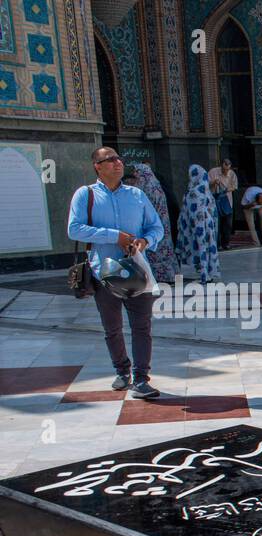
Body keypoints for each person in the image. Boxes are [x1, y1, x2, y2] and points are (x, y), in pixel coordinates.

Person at [67, 146, 164, 400]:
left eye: (118, 158)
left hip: (136, 270)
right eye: (109, 160)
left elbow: (156, 227)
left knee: (142, 327)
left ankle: (141, 379)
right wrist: (114, 236)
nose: (117, 163)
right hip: (104, 272)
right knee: (113, 328)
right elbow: (74, 229)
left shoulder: (137, 195)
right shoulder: (85, 195)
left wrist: (145, 241)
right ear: (97, 166)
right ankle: (122, 371)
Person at [127, 163, 179, 284]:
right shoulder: (155, 185)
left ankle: (160, 276)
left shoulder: (145, 189)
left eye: (137, 172)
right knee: (164, 249)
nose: (135, 175)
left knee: (156, 250)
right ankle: (169, 275)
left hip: (153, 226)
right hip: (162, 224)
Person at [175, 164, 222, 284]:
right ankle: (207, 274)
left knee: (200, 248)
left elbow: (191, 211)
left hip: (197, 224)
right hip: (208, 224)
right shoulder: (206, 190)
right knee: (206, 248)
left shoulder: (193, 191)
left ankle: (203, 275)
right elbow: (213, 211)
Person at [208, 158, 237, 250]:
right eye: (224, 169)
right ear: (221, 165)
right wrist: (214, 182)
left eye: (228, 169)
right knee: (218, 224)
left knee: (228, 224)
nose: (226, 171)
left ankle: (226, 243)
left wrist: (226, 190)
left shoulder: (232, 174)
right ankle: (218, 244)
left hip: (227, 201)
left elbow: (235, 187)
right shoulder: (213, 172)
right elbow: (206, 184)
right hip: (215, 201)